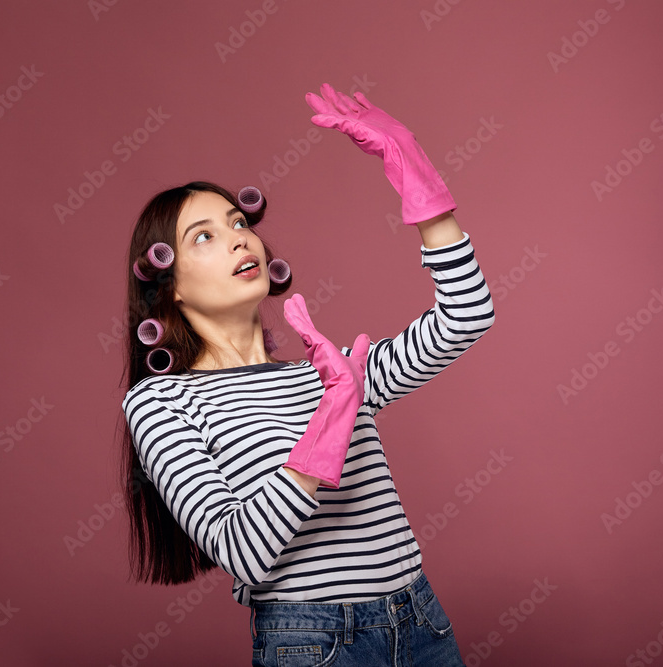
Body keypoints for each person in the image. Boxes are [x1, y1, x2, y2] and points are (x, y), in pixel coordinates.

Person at [118, 83, 495, 666]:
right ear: (169, 288)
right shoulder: (161, 401)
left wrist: (419, 179)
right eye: (205, 237)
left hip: (420, 619)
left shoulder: (329, 371)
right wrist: (325, 433)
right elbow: (242, 553)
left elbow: (466, 317)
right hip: (311, 642)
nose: (240, 235)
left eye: (238, 221)